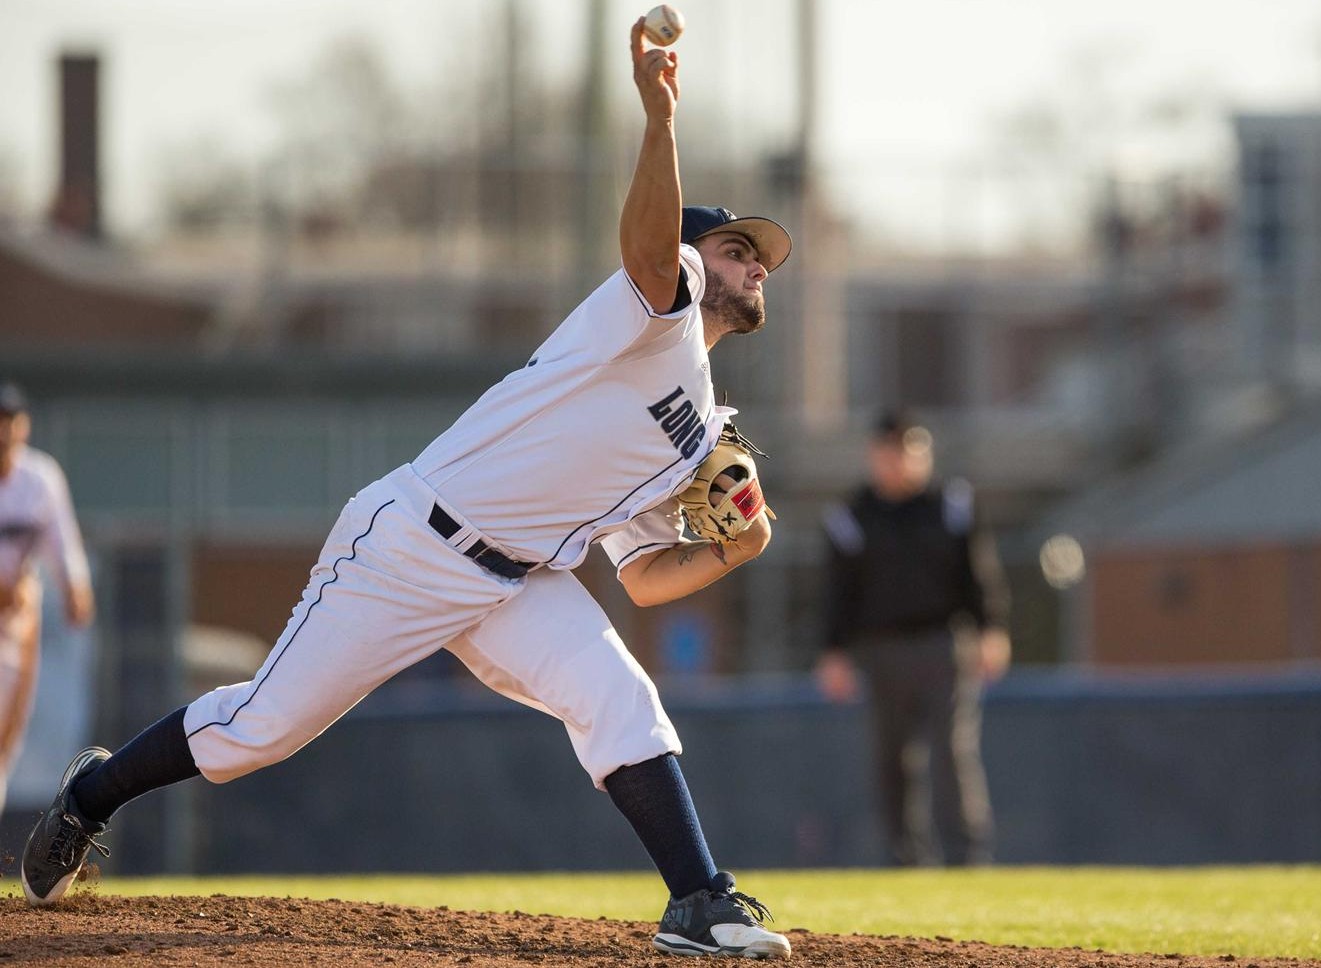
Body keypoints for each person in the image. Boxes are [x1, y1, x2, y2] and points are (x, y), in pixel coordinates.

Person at [24, 20, 791, 960]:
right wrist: (660, 119)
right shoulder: (654, 304)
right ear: (694, 250)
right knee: (261, 729)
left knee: (621, 696)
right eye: (739, 248)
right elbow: (649, 248)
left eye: (762, 258)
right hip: (413, 543)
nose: (756, 263)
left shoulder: (700, 430)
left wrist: (732, 551)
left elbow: (641, 577)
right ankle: (89, 796)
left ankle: (700, 901)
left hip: (519, 580)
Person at [814, 411, 1010, 867]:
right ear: (873, 456)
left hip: (942, 642)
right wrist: (833, 651)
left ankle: (966, 855)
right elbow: (837, 592)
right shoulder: (851, 516)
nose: (898, 461)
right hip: (880, 647)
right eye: (889, 451)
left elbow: (980, 573)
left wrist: (991, 628)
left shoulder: (952, 506)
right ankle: (905, 857)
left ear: (925, 454)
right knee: (891, 756)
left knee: (952, 751)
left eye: (908, 450)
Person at [0, 380, 96, 818]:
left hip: (13, 620)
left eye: (10, 421)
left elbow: (63, 541)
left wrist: (73, 585)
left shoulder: (38, 478)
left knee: (6, 736)